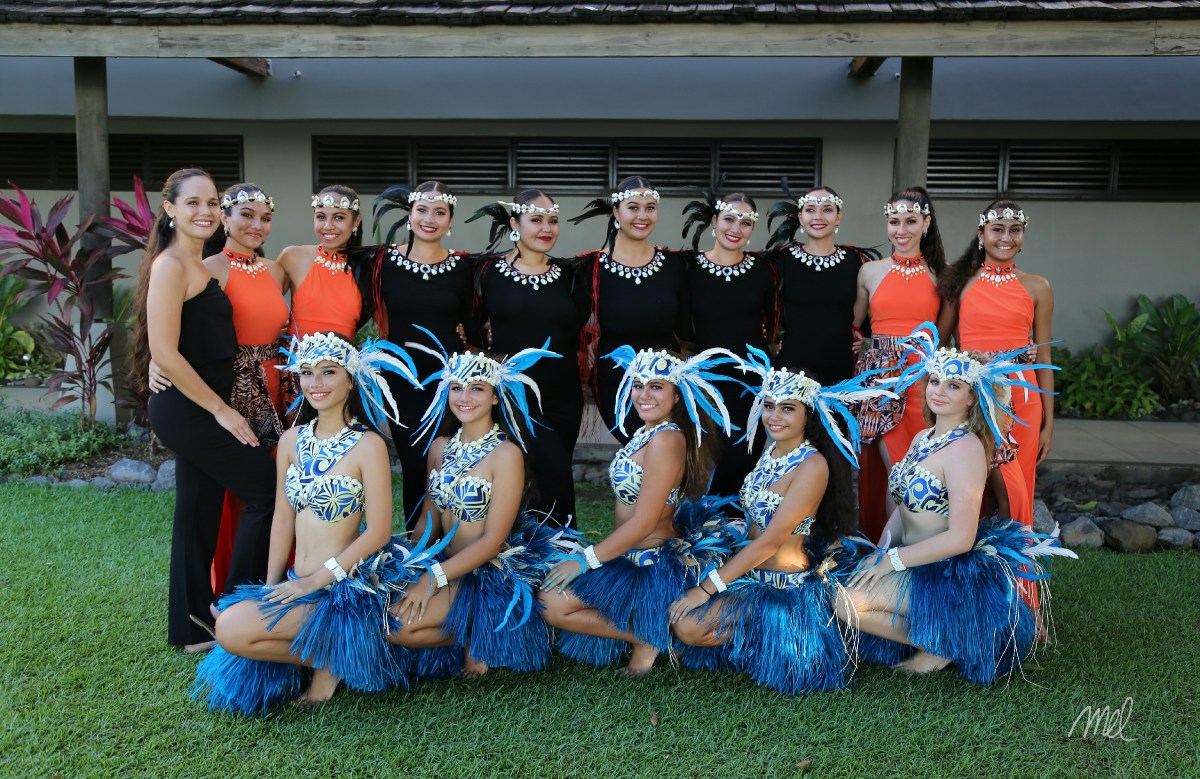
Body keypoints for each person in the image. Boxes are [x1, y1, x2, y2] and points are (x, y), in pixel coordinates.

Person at [191, 332, 425, 714]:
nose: (316, 384)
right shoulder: (291, 440)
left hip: (343, 589)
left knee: (231, 628)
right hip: (296, 581)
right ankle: (331, 655)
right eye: (307, 373)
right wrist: (269, 587)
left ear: (351, 379)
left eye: (329, 372)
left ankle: (336, 653)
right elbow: (283, 519)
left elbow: (380, 532)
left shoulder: (369, 446)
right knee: (231, 627)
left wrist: (318, 580)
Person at [831, 325, 1071, 684]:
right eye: (935, 381)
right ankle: (940, 635)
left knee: (845, 602)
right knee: (840, 587)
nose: (939, 391)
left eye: (953, 385)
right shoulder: (922, 438)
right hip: (910, 560)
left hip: (945, 573)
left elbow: (961, 537)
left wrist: (892, 562)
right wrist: (880, 551)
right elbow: (902, 508)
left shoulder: (966, 449)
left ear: (972, 397)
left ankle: (949, 641)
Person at [670, 347, 896, 695]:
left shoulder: (813, 465)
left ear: (809, 416)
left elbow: (772, 540)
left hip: (784, 587)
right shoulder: (771, 450)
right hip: (751, 574)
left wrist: (707, 588)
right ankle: (759, 638)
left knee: (690, 627)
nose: (775, 416)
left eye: (788, 408)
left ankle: (780, 634)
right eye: (770, 406)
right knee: (684, 624)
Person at [131, 169, 278, 652]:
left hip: (197, 403)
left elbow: (177, 342)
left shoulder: (202, 266)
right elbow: (166, 351)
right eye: (193, 202)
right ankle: (233, 606)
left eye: (212, 203)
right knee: (264, 487)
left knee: (198, 511)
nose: (205, 212)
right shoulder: (172, 265)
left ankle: (192, 627)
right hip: (191, 408)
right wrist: (222, 412)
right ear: (169, 209)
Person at [539, 347, 737, 677]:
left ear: (677, 396)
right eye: (637, 384)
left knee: (553, 603)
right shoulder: (647, 433)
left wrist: (584, 559)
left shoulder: (667, 440)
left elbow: (645, 522)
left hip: (654, 565)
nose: (643, 395)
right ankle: (647, 634)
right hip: (626, 556)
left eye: (656, 387)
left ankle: (652, 635)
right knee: (550, 602)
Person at [387, 333, 561, 679]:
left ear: (496, 396)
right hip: (443, 563)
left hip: (485, 570)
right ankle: (468, 629)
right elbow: (428, 520)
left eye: (476, 389)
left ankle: (484, 626)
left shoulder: (506, 454)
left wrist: (432, 580)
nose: (464, 397)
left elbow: (494, 539)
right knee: (387, 620)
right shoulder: (439, 448)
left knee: (400, 629)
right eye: (456, 388)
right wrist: (403, 562)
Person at [466, 191, 588, 527]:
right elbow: (473, 329)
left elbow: (575, 325)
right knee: (543, 470)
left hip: (563, 396)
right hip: (515, 395)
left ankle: (554, 557)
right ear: (514, 224)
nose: (546, 228)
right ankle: (541, 550)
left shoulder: (571, 275)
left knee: (555, 470)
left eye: (552, 220)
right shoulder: (486, 273)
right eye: (536, 219)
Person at [937, 202, 1054, 546]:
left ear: (1023, 236)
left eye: (1014, 230)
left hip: (1024, 398)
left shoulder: (1038, 287)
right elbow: (940, 345)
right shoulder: (959, 284)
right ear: (981, 234)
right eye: (997, 229)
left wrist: (1050, 422)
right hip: (974, 398)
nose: (1006, 237)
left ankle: (1017, 580)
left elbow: (1044, 355)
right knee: (972, 487)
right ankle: (973, 572)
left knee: (1016, 488)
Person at [765, 186, 877, 537]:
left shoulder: (855, 262)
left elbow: (868, 314)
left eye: (827, 209)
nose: (818, 216)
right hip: (794, 374)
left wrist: (869, 339)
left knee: (836, 460)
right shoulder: (781, 260)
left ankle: (834, 536)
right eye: (810, 209)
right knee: (792, 455)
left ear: (838, 217)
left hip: (839, 376)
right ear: (800, 217)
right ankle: (784, 535)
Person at [371, 182, 480, 527]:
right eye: (422, 210)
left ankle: (456, 543)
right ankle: (417, 549)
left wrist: (478, 340)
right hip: (402, 380)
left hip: (450, 380)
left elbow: (476, 324)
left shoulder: (465, 267)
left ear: (450, 222)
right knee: (415, 463)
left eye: (439, 212)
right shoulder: (383, 262)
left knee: (452, 460)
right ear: (409, 215)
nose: (429, 219)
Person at [852, 187, 947, 541]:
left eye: (911, 221)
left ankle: (906, 552)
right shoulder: (869, 272)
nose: (901, 229)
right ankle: (884, 551)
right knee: (891, 469)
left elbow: (951, 334)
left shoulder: (943, 275)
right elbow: (851, 325)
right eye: (894, 221)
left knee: (916, 470)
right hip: (878, 380)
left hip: (923, 381)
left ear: (926, 223)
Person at [570, 177, 690, 443]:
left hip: (666, 380)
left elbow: (686, 329)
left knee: (666, 454)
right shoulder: (592, 268)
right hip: (616, 382)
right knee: (637, 453)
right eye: (633, 207)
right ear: (616, 211)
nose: (642, 216)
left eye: (650, 208)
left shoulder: (674, 266)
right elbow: (567, 325)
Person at [680, 189, 779, 497]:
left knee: (743, 455)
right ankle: (705, 527)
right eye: (729, 219)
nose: (736, 229)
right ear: (714, 221)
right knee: (707, 456)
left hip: (752, 380)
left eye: (746, 223)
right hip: (707, 378)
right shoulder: (689, 269)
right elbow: (679, 325)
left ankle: (735, 528)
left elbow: (776, 322)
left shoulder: (763, 270)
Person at [277, 185, 369, 340]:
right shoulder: (293, 257)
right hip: (295, 362)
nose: (328, 226)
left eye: (339, 217)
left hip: (343, 363)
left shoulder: (369, 266)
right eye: (321, 217)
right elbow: (263, 301)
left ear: (355, 221)